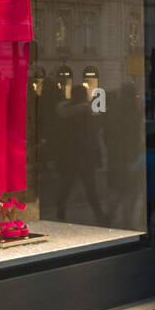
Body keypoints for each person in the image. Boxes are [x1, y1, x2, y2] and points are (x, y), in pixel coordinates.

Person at [55, 85, 105, 222]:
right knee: (90, 187)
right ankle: (99, 215)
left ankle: (60, 213)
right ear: (83, 96)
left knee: (65, 185)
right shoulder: (87, 112)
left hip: (67, 155)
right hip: (85, 155)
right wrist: (98, 155)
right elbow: (92, 135)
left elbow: (58, 136)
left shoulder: (61, 112)